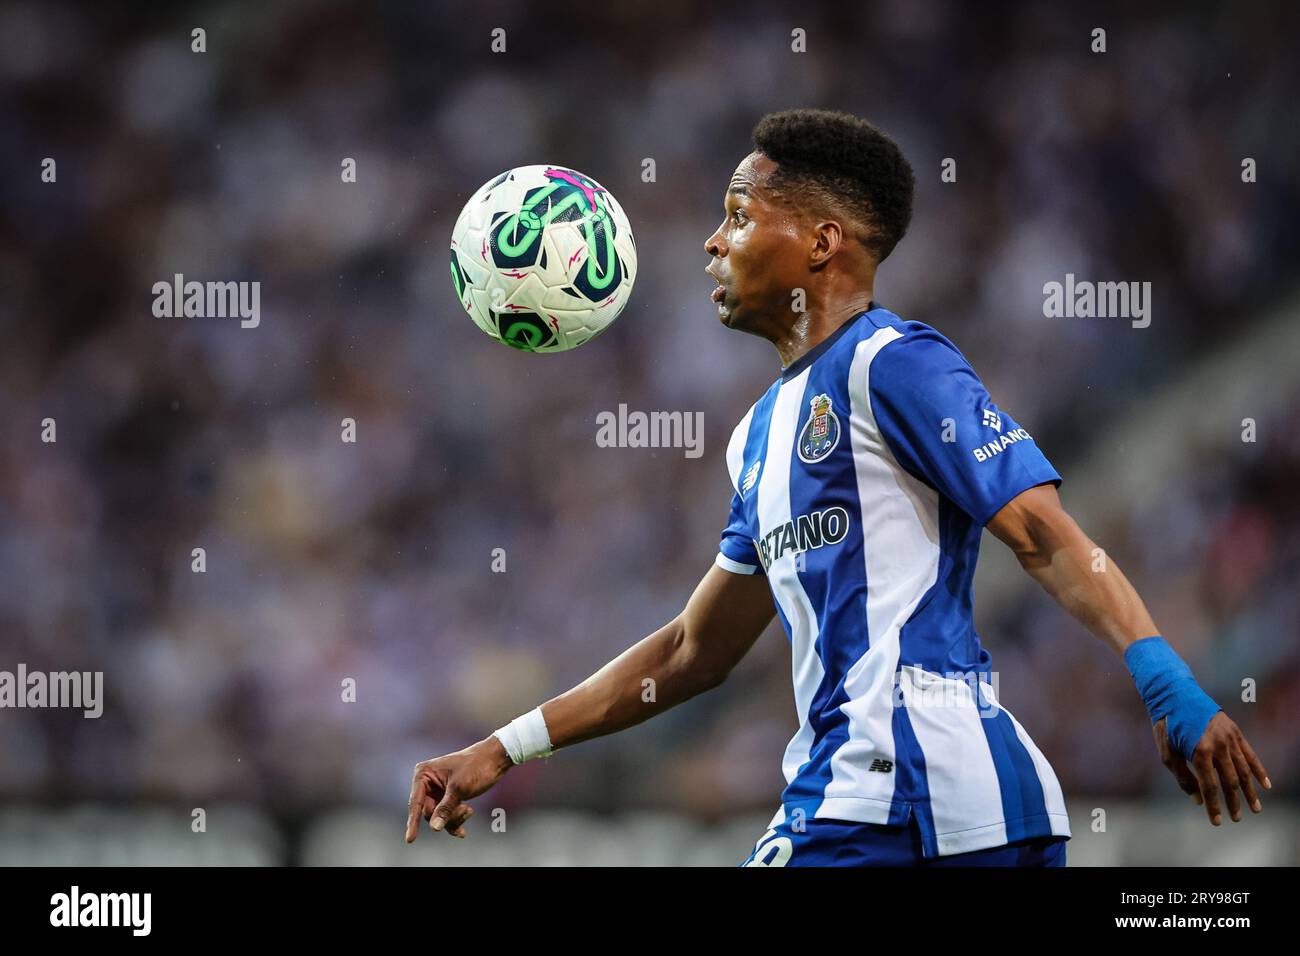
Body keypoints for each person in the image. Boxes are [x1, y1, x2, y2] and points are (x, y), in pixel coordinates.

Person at [405, 109, 1271, 866]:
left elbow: (1040, 531)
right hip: (924, 807)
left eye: (738, 216)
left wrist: (1165, 680)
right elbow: (690, 653)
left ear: (822, 242)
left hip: (900, 797)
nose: (714, 241)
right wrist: (505, 746)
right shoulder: (757, 437)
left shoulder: (891, 364)